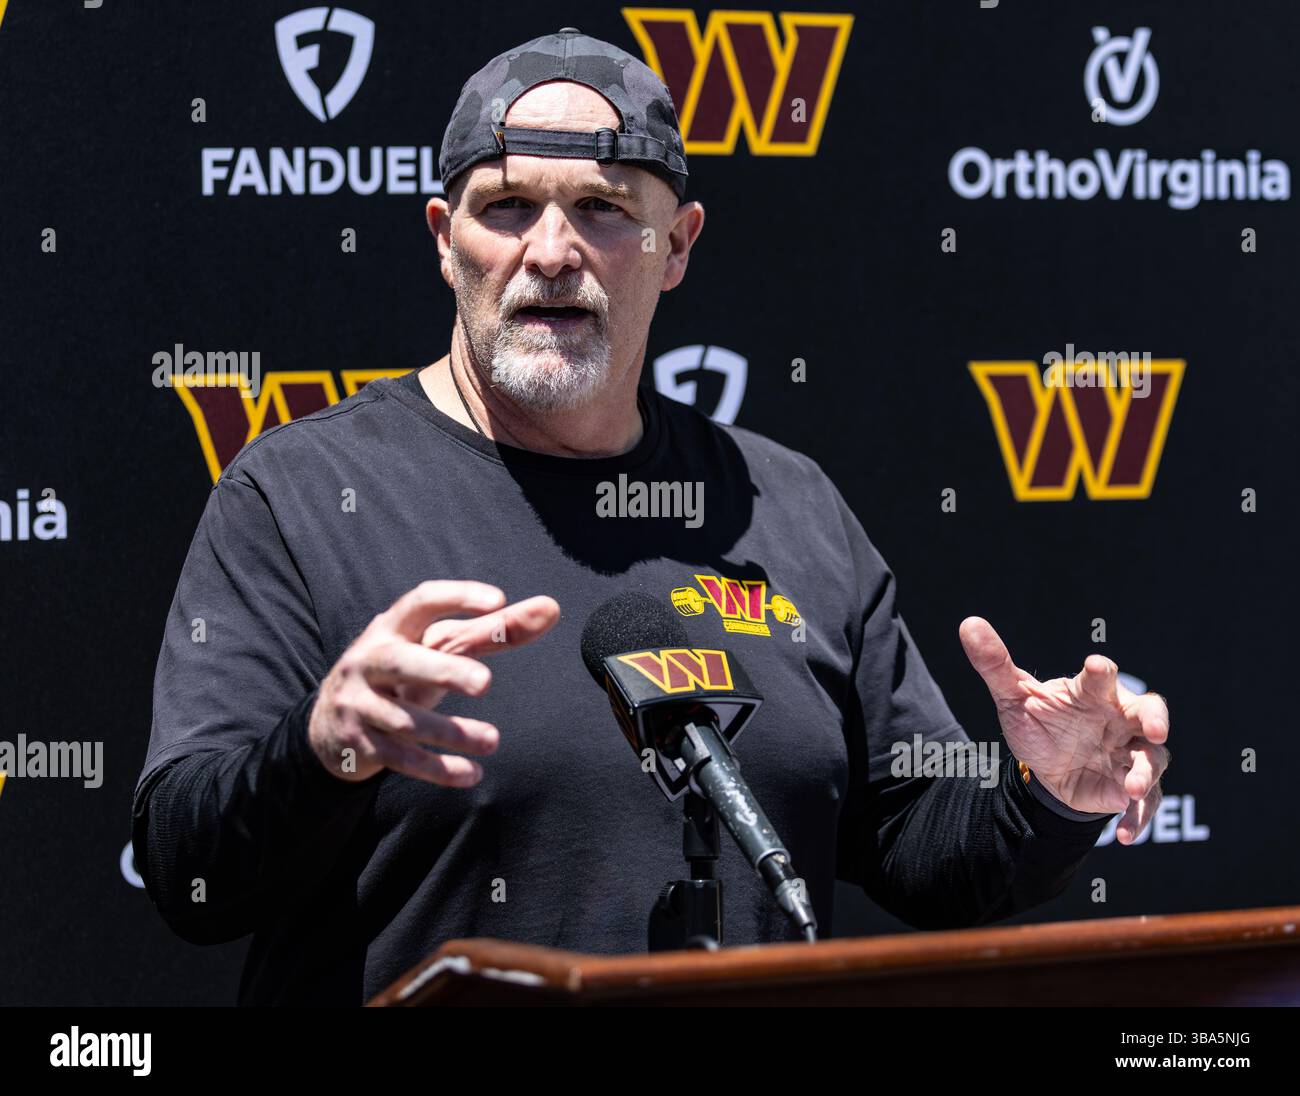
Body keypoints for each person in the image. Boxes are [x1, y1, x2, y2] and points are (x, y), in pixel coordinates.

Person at [132, 27, 1170, 1005]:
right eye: (506, 208)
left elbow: (917, 851)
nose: (550, 250)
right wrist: (323, 751)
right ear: (445, 242)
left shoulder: (785, 502)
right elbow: (190, 880)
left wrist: (1049, 801)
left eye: (602, 207)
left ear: (675, 245)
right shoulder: (299, 496)